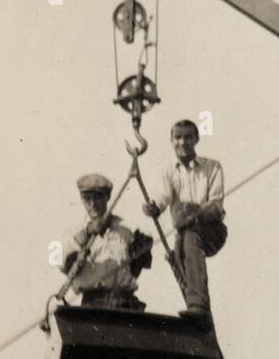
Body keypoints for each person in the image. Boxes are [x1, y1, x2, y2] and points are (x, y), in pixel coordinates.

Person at [143, 119, 227, 326]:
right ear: (171, 141)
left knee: (189, 238)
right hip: (184, 231)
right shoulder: (167, 171)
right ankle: (196, 310)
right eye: (178, 138)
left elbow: (216, 205)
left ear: (196, 139)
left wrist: (195, 212)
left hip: (210, 228)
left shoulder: (212, 167)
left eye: (188, 137)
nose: (183, 142)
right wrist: (155, 207)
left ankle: (198, 305)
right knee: (180, 248)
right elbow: (162, 196)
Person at [61, 173, 153, 310]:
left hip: (125, 303)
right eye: (87, 199)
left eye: (97, 198)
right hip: (93, 305)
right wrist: (87, 233)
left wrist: (144, 250)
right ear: (81, 199)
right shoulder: (72, 233)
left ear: (107, 197)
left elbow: (138, 266)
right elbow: (64, 263)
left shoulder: (127, 229)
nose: (92, 204)